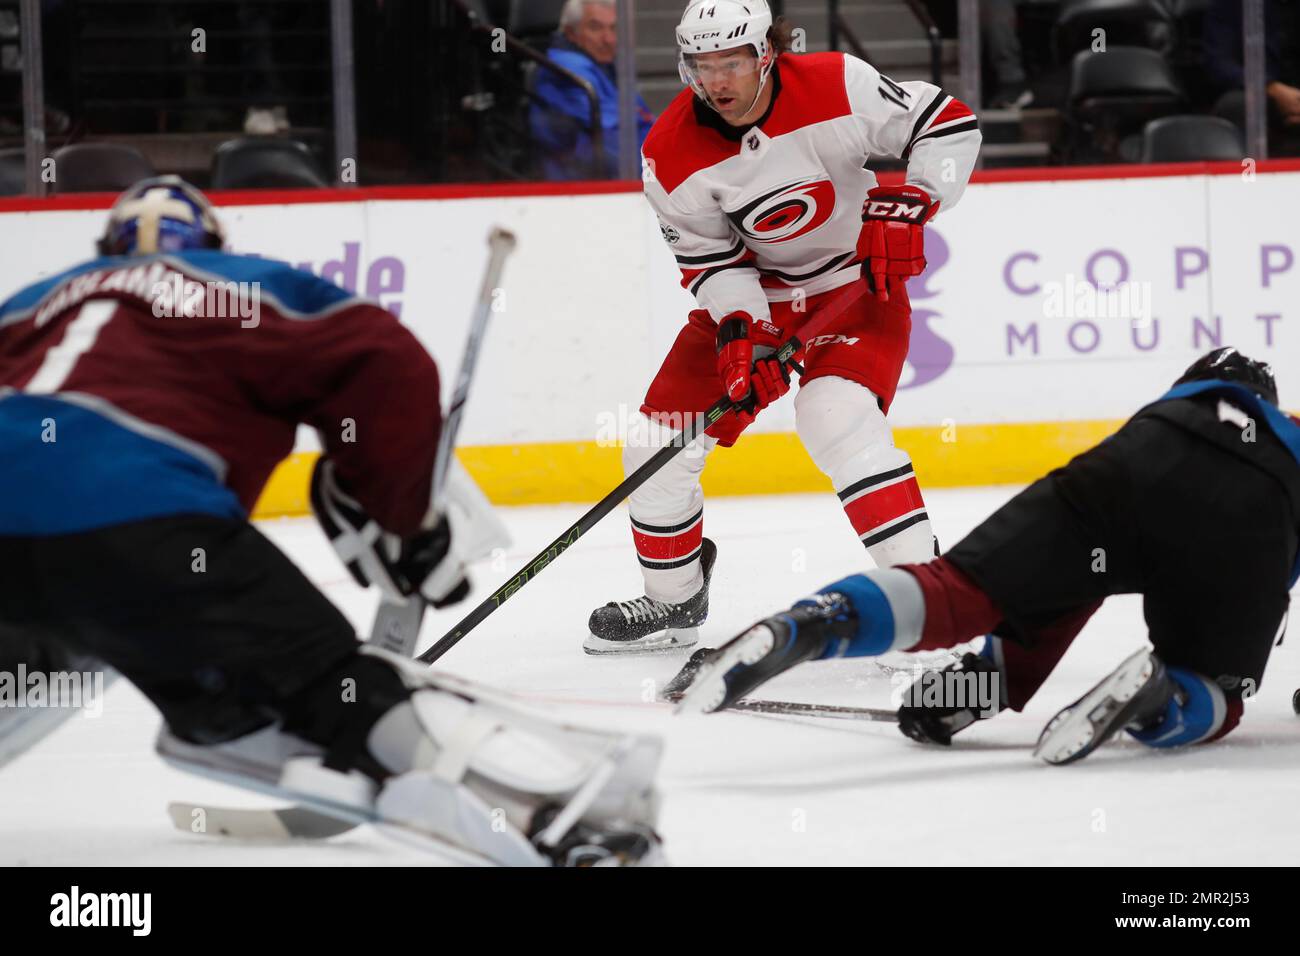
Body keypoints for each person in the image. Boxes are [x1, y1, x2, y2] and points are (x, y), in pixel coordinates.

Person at [0, 176, 663, 865]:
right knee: (331, 687)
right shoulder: (238, 283)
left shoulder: (26, 304)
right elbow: (382, 358)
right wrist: (400, 514)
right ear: (213, 242)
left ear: (103, 247)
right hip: (147, 523)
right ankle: (555, 823)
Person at [670, 348, 1298, 765]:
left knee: (957, 590)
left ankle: (814, 622)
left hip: (1138, 454)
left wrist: (966, 693)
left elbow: (1051, 602)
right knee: (1214, 690)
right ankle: (1162, 695)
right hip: (1264, 504)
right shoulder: (1286, 436)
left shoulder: (1179, 407)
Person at [583, 0, 981, 655]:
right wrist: (747, 330)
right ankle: (673, 602)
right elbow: (710, 260)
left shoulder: (837, 83)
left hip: (853, 286)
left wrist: (915, 200)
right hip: (758, 293)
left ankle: (927, 602)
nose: (716, 81)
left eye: (731, 62)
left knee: (837, 418)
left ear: (765, 52)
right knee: (655, 446)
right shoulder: (669, 152)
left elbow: (946, 123)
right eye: (701, 65)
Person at [529, 0, 654, 179]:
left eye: (613, 28)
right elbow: (614, 139)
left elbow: (644, 121)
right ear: (571, 32)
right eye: (595, 28)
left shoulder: (607, 66)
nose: (608, 39)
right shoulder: (565, 70)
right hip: (578, 192)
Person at [1205, 0, 1300, 156]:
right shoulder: (1231, 6)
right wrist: (1271, 87)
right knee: (1236, 104)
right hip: (1258, 91)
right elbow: (1220, 64)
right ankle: (1247, 173)